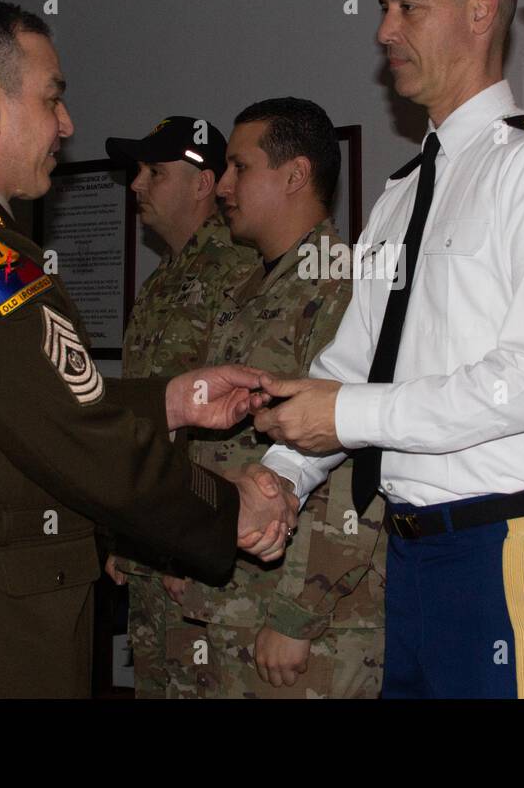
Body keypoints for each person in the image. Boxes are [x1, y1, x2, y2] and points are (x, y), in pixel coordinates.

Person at [0, 0, 296, 698]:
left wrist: (168, 399)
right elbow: (75, 433)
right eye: (52, 99)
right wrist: (230, 508)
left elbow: (14, 408)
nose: (66, 124)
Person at [252, 0, 524, 698]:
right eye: (384, 7)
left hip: (503, 543)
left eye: (407, 6)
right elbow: (354, 365)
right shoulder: (401, 193)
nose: (384, 30)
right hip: (410, 552)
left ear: (480, 11)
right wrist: (282, 475)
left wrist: (351, 415)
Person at [163, 97, 385, 699]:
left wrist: (298, 615)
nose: (224, 186)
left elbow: (361, 462)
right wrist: (186, 546)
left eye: (240, 168)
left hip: (295, 617)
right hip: (226, 593)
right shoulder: (246, 288)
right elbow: (210, 446)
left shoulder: (343, 286)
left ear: (295, 175)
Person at [101, 115, 254, 698]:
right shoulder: (164, 280)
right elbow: (146, 419)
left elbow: (235, 430)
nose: (136, 184)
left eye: (153, 171)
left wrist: (186, 539)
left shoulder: (237, 274)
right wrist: (126, 533)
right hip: (151, 546)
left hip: (191, 555)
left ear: (201, 183)